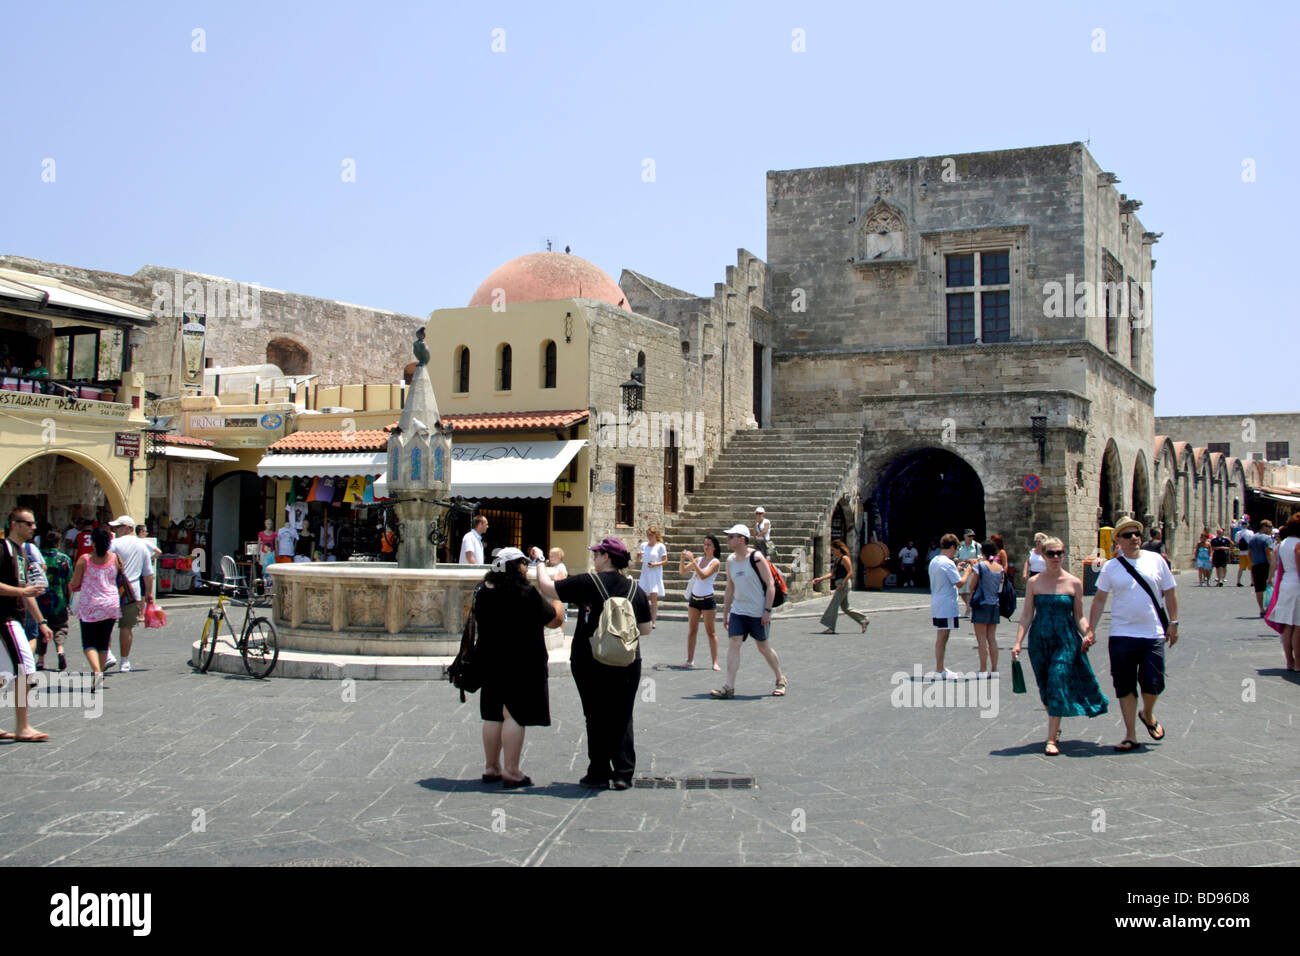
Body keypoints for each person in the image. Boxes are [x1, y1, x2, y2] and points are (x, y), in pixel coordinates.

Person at [532, 538, 652, 790]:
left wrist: (540, 561)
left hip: (590, 660)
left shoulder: (587, 583)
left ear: (606, 557)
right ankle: (623, 772)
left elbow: (546, 587)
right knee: (622, 714)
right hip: (627, 661)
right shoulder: (634, 588)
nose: (594, 558)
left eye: (596, 554)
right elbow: (645, 629)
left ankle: (598, 771)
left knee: (594, 713)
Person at [473, 548, 565, 788]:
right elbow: (554, 620)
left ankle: (491, 767)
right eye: (523, 563)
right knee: (514, 713)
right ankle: (512, 771)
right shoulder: (525, 592)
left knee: (492, 714)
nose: (526, 568)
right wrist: (558, 597)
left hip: (490, 659)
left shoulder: (483, 591)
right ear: (516, 567)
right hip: (522, 661)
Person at [1087, 517, 1179, 752]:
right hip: (1121, 633)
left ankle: (1147, 713)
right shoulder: (1111, 567)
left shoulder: (1156, 561)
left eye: (1137, 534)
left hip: (1153, 632)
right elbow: (1099, 600)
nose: (1134, 538)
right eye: (1128, 535)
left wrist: (1174, 622)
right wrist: (1091, 629)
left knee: (1154, 683)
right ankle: (1130, 735)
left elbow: (1169, 592)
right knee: (1125, 686)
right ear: (1118, 540)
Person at [1011, 535, 1107, 755]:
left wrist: (1088, 633)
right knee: (1045, 689)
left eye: (1059, 553)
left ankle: (1051, 740)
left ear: (1064, 554)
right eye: (1051, 553)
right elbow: (1026, 615)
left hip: (1065, 641)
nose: (1056, 557)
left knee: (1056, 682)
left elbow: (1079, 617)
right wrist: (1018, 642)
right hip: (1039, 641)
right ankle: (1056, 725)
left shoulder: (1074, 583)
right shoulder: (1034, 583)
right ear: (1043, 555)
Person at [712, 524, 787, 699]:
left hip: (757, 610)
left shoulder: (756, 557)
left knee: (763, 647)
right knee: (734, 643)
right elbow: (729, 587)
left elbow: (770, 585)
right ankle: (729, 687)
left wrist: (767, 610)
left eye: (732, 536)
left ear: (742, 539)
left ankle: (780, 678)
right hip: (739, 610)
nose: (728, 539)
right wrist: (726, 613)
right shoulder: (730, 560)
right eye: (728, 536)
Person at [0, 508, 51, 741]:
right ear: (14, 524)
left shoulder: (22, 552)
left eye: (33, 524)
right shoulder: (3, 549)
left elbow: (27, 590)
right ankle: (22, 727)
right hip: (5, 617)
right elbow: (22, 589)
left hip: (16, 616)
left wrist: (41, 621)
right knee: (26, 668)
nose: (33, 528)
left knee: (3, 675)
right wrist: (22, 591)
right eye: (28, 523)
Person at [69, 527, 122, 695]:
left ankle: (97, 671)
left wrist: (72, 587)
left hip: (90, 604)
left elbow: (75, 583)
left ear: (92, 542)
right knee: (104, 640)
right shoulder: (115, 558)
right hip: (111, 603)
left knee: (89, 642)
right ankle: (99, 672)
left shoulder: (85, 559)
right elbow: (120, 577)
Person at [108, 516, 155, 673]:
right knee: (127, 627)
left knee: (107, 623)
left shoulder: (113, 544)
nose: (115, 530)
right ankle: (124, 662)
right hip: (133, 590)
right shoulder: (142, 546)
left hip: (113, 589)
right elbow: (148, 573)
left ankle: (107, 654)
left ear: (127, 527)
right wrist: (149, 593)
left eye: (118, 527)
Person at [929, 533, 975, 680]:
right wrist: (968, 571)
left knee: (941, 636)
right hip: (946, 605)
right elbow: (960, 583)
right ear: (953, 547)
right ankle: (939, 669)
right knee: (943, 637)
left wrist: (957, 568)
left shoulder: (935, 560)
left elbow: (947, 577)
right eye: (956, 549)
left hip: (937, 602)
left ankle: (941, 667)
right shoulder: (947, 563)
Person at [679, 535, 721, 670]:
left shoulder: (715, 562)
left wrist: (692, 560)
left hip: (707, 600)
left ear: (714, 547)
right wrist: (682, 559)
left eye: (709, 544)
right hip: (694, 599)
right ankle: (689, 660)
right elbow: (683, 571)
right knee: (692, 631)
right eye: (705, 544)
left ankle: (715, 662)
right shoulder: (699, 559)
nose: (706, 547)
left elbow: (703, 576)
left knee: (711, 632)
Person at [1266, 513, 1300, 671]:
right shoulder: (1298, 544)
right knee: (1298, 626)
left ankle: (1289, 662)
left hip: (1286, 583)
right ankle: (1299, 663)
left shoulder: (1283, 543)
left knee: (1288, 626)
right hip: (1297, 585)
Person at [813, 538, 868, 634]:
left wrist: (843, 583)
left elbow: (850, 572)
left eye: (833, 550)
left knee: (834, 605)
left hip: (844, 584)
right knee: (845, 608)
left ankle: (831, 627)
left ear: (839, 549)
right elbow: (832, 574)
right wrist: (820, 579)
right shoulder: (837, 560)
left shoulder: (845, 558)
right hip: (839, 584)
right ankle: (863, 620)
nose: (832, 552)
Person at [36, 531, 71, 672]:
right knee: (60, 627)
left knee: (41, 629)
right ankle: (60, 650)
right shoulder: (64, 559)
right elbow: (69, 581)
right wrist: (69, 600)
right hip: (59, 599)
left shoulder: (39, 558)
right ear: (58, 543)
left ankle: (40, 660)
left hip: (41, 598)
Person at [969, 540, 1004, 677]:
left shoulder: (980, 566)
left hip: (981, 604)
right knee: (992, 638)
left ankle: (983, 670)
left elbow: (972, 586)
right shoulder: (999, 568)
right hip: (994, 604)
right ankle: (994, 670)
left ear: (982, 552)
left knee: (981, 640)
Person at [638, 525, 668, 629]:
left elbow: (665, 561)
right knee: (641, 597)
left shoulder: (660, 546)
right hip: (645, 573)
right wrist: (638, 557)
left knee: (653, 598)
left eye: (651, 535)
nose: (649, 537)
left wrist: (655, 564)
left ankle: (653, 621)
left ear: (655, 535)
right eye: (648, 535)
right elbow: (640, 561)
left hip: (655, 573)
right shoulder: (644, 545)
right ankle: (642, 619)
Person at [1248, 520, 1276, 616]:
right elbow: (1268, 553)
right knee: (1269, 585)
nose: (1271, 529)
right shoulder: (1267, 538)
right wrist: (1272, 565)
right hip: (1265, 565)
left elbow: (1250, 553)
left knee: (1258, 588)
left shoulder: (1252, 538)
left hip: (1256, 565)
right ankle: (1269, 607)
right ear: (1264, 526)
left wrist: (1252, 563)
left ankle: (1261, 609)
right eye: (1270, 526)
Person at [956, 529, 980, 616]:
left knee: (971, 590)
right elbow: (955, 557)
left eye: (972, 536)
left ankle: (969, 608)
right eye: (969, 536)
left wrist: (973, 560)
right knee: (961, 591)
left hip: (972, 570)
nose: (971, 538)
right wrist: (962, 560)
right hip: (962, 569)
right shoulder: (959, 546)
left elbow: (980, 558)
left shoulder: (977, 546)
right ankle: (968, 605)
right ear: (964, 536)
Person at [1235, 520, 1254, 586]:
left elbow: (1237, 542)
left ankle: (1238, 581)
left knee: (1241, 567)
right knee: (1251, 567)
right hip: (1249, 552)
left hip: (1241, 552)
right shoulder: (1251, 532)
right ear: (1247, 525)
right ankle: (1252, 582)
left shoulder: (1238, 533)